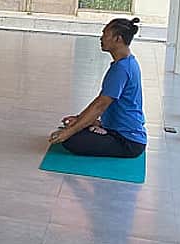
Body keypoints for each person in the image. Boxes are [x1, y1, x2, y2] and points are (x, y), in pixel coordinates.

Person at [48, 18, 147, 158]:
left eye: (105, 35)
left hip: (128, 141)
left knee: (71, 140)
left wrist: (68, 133)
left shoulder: (121, 69)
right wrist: (79, 118)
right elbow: (100, 102)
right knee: (74, 126)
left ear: (118, 39)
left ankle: (103, 132)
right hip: (117, 130)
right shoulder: (128, 63)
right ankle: (101, 129)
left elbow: (100, 105)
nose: (101, 39)